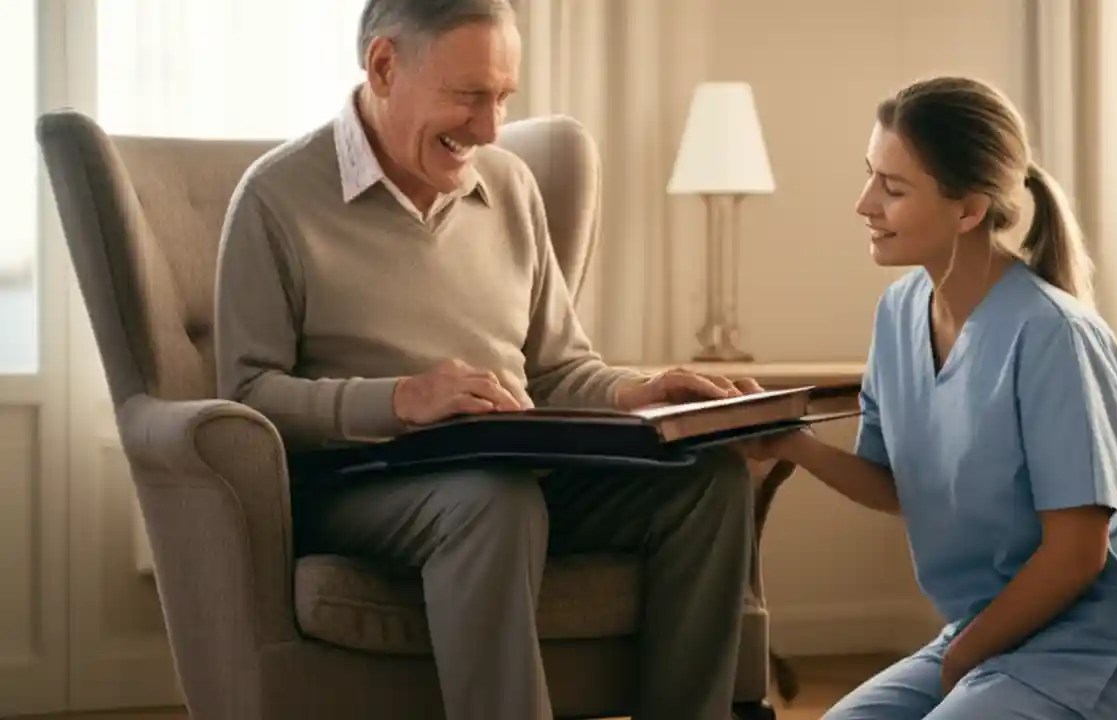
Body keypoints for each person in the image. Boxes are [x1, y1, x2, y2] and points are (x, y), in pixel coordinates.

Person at [213, 1, 763, 718]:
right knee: (492, 502)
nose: (490, 128)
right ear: (384, 66)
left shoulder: (510, 188)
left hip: (516, 473)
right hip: (362, 486)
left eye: (502, 98)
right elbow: (249, 397)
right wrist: (402, 398)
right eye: (468, 96)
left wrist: (642, 391)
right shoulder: (275, 198)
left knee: (710, 480)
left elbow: (559, 369)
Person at [749, 77, 1117, 719]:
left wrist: (961, 659)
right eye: (871, 175)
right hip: (987, 633)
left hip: (1092, 652)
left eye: (893, 189)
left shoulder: (1055, 337)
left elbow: (1076, 554)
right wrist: (794, 443)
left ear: (969, 211)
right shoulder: (899, 314)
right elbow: (901, 483)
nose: (864, 203)